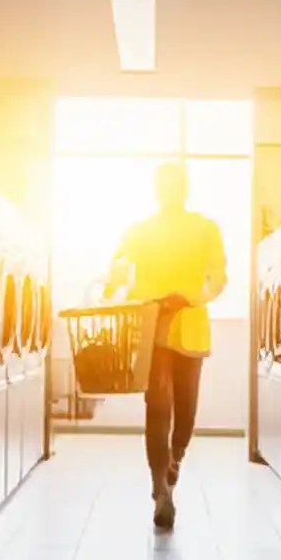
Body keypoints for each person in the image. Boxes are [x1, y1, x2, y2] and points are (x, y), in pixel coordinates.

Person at [106, 161, 227, 528]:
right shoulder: (139, 230)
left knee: (186, 412)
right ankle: (161, 490)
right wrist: (115, 285)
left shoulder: (206, 228)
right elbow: (118, 267)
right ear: (157, 189)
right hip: (151, 326)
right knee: (158, 406)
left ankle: (174, 459)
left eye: (176, 183)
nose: (170, 189)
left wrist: (194, 298)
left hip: (190, 326)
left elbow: (218, 278)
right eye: (164, 183)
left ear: (184, 188)